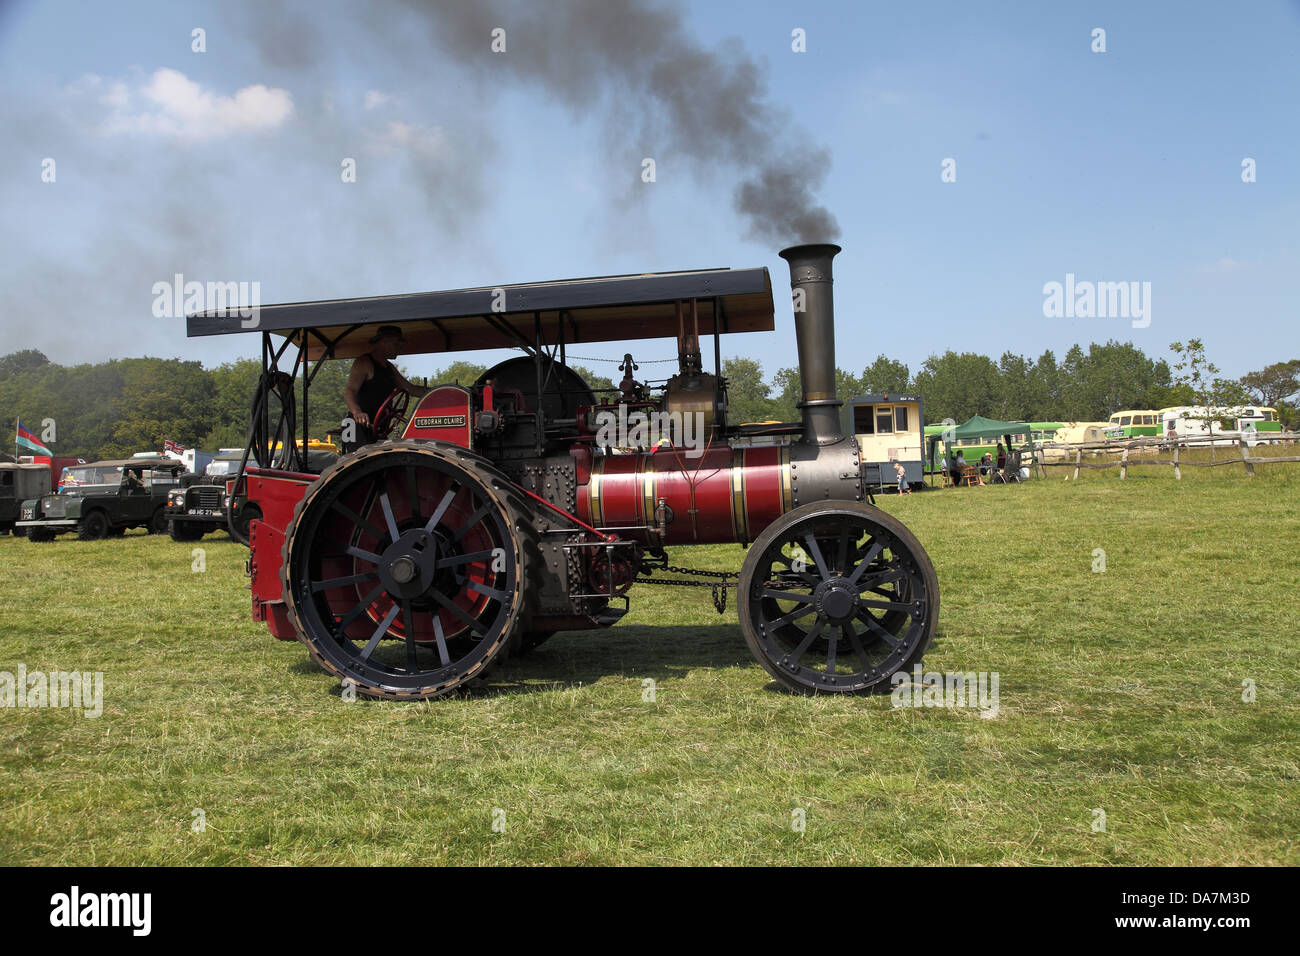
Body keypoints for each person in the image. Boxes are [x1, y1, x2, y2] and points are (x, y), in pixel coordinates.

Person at [344, 325, 430, 450]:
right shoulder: (364, 362)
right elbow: (350, 391)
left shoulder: (389, 368)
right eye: (396, 344)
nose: (400, 348)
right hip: (358, 427)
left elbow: (410, 389)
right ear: (383, 342)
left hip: (378, 428)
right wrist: (357, 412)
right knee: (366, 464)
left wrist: (438, 391)